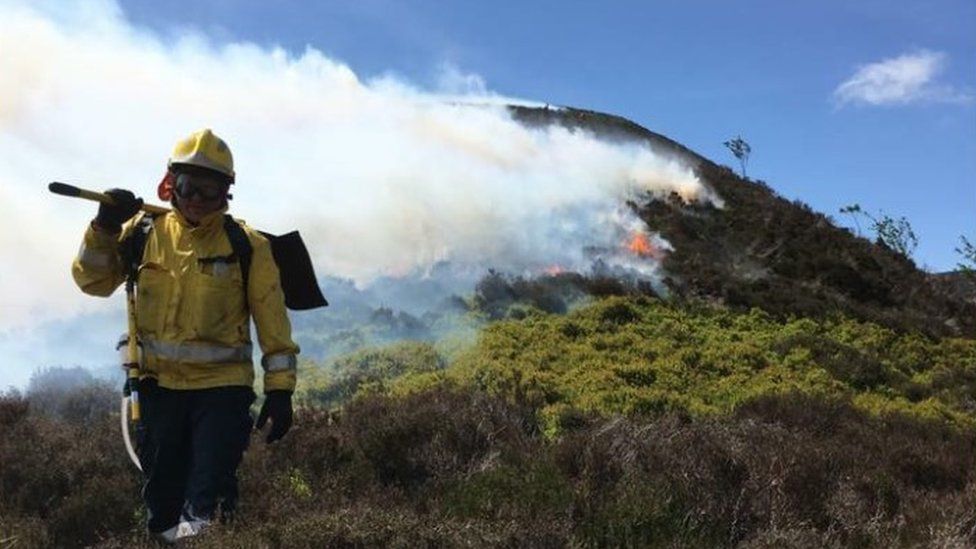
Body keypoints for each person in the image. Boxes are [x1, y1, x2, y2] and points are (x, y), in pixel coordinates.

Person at [71, 129, 299, 543]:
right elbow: (93, 281)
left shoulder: (245, 246)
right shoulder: (143, 234)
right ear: (170, 182)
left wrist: (280, 390)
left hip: (222, 395)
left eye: (208, 190)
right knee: (163, 507)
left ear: (226, 194)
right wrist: (104, 227)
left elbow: (273, 322)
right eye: (188, 186)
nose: (195, 199)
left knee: (207, 505)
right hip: (155, 391)